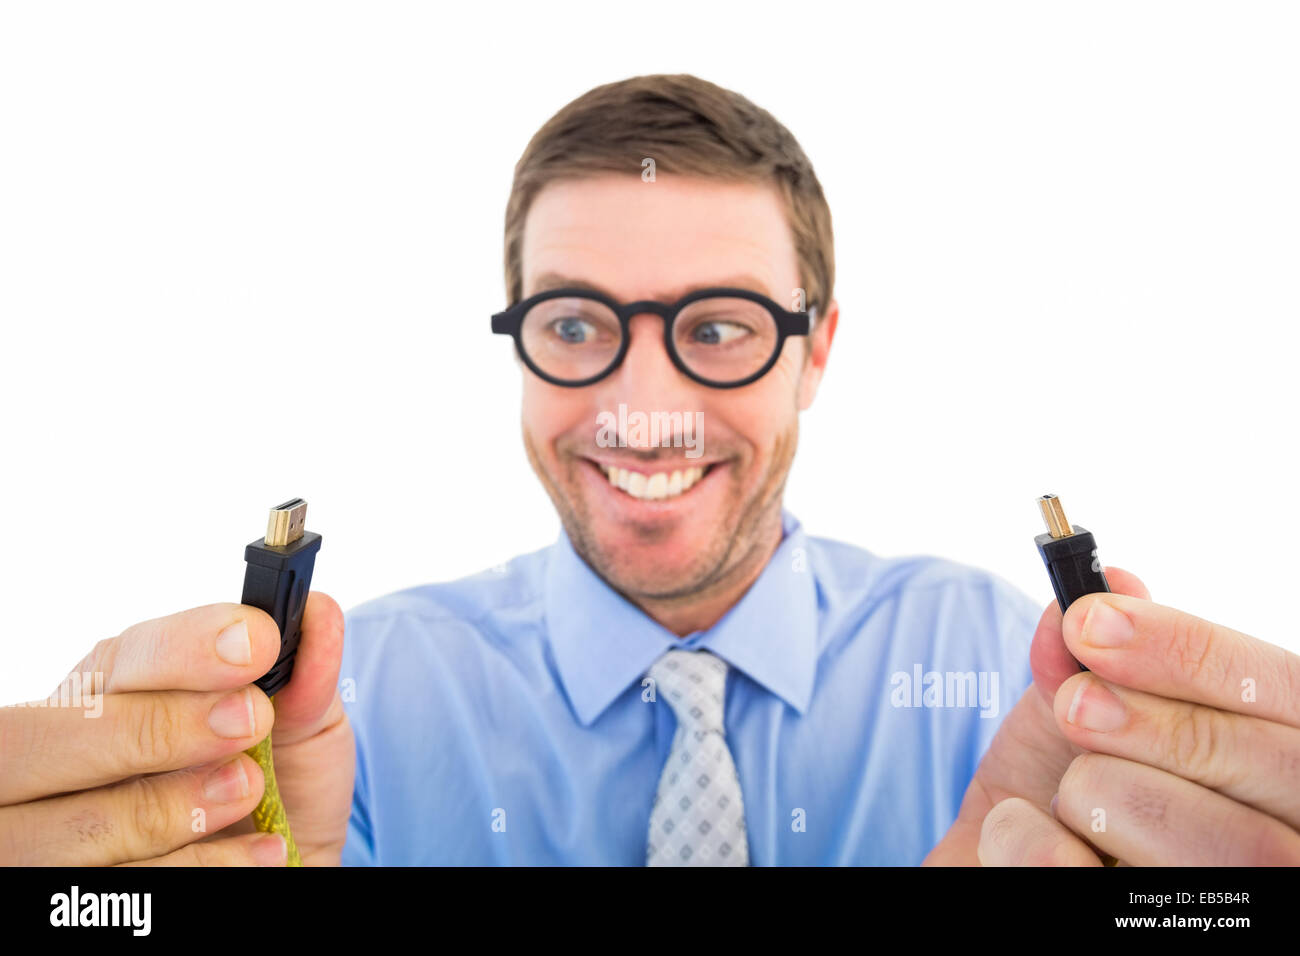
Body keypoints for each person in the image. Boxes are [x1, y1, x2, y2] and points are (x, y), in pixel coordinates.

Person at [4, 74, 1297, 866]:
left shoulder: (1002, 675)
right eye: (575, 326)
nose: (643, 407)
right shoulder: (341, 718)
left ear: (817, 352)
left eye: (720, 328)